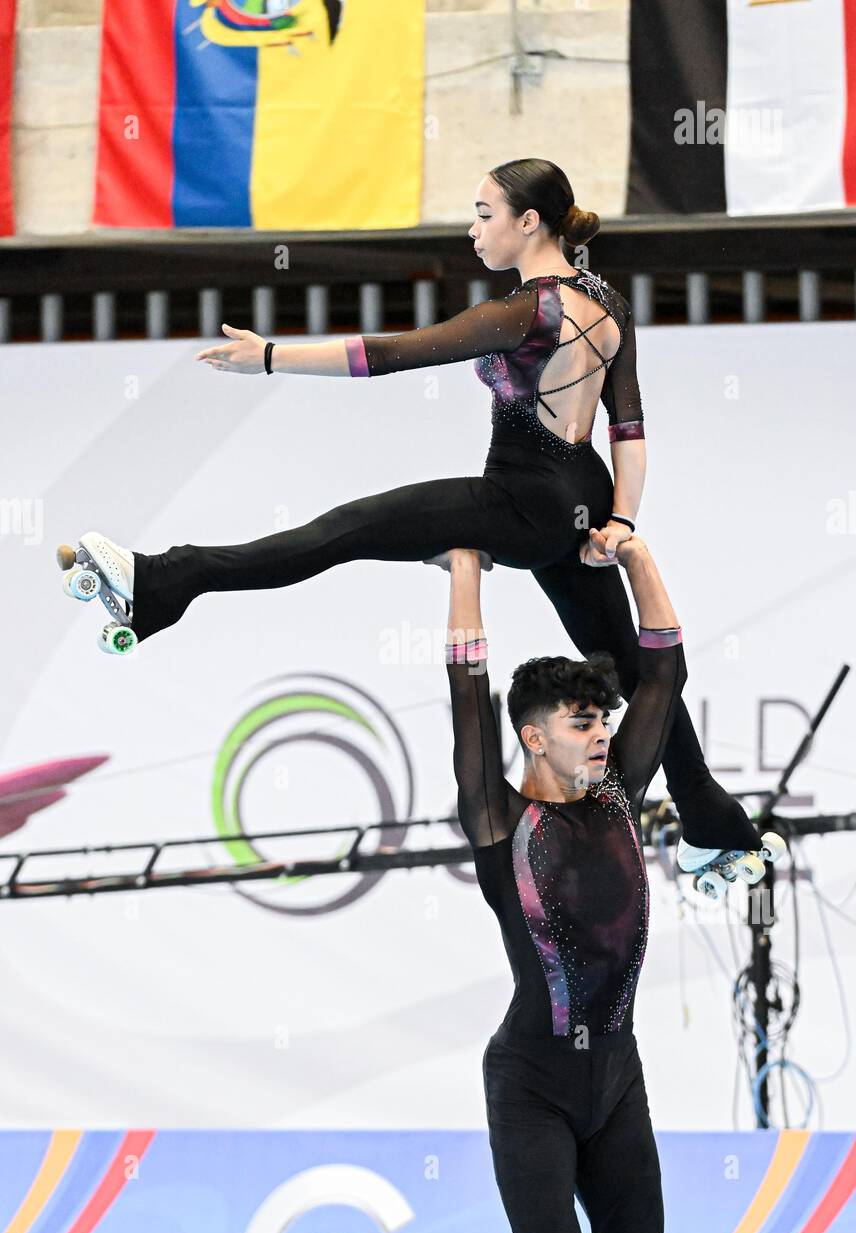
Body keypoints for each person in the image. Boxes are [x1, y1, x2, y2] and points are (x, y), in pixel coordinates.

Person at [65, 157, 759, 855]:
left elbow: (392, 354)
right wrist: (620, 522)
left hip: (520, 503)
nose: (472, 230)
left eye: (486, 215)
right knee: (637, 670)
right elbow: (628, 429)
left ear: (529, 222)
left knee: (344, 530)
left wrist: (272, 355)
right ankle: (711, 819)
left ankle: (162, 580)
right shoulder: (609, 303)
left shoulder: (527, 311)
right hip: (583, 496)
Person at [442, 533, 683, 1233]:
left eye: (602, 722)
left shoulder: (618, 798)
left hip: (617, 1078)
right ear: (533, 737)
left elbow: (665, 674)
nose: (602, 735)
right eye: (582, 724)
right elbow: (467, 692)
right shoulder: (499, 819)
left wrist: (638, 559)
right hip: (532, 1086)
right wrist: (465, 569)